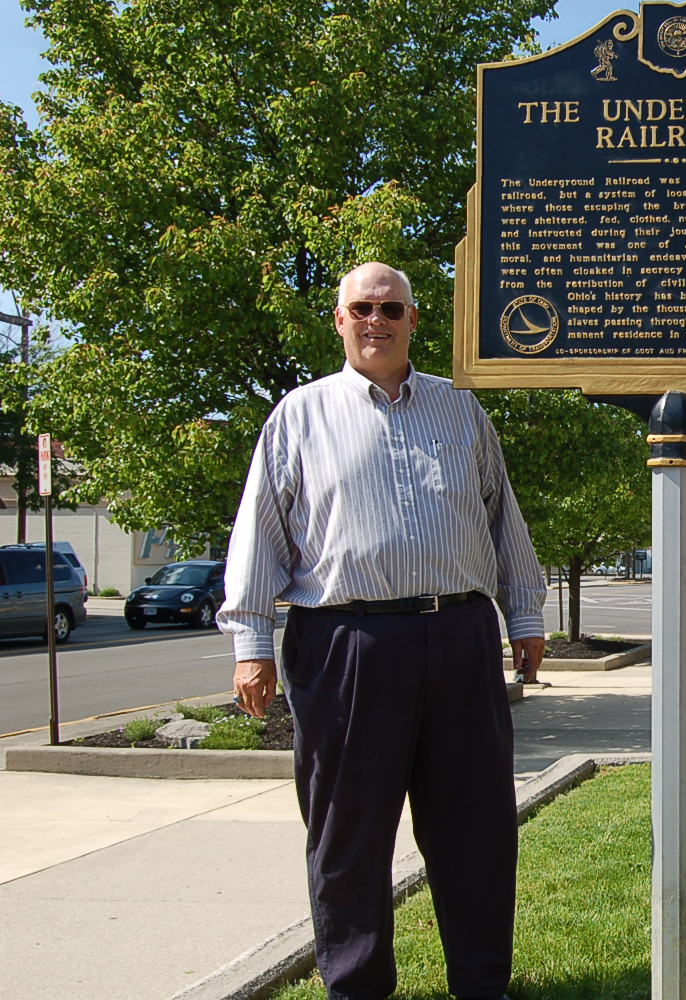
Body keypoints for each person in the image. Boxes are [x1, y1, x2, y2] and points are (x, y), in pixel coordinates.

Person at [219, 261, 546, 1000]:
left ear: (413, 320)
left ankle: (482, 985)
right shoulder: (298, 417)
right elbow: (260, 535)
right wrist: (250, 645)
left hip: (460, 638)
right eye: (362, 308)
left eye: (391, 309)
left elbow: (502, 518)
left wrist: (524, 614)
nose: (377, 320)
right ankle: (358, 987)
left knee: (476, 833)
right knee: (349, 839)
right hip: (344, 648)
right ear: (339, 320)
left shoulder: (462, 411)